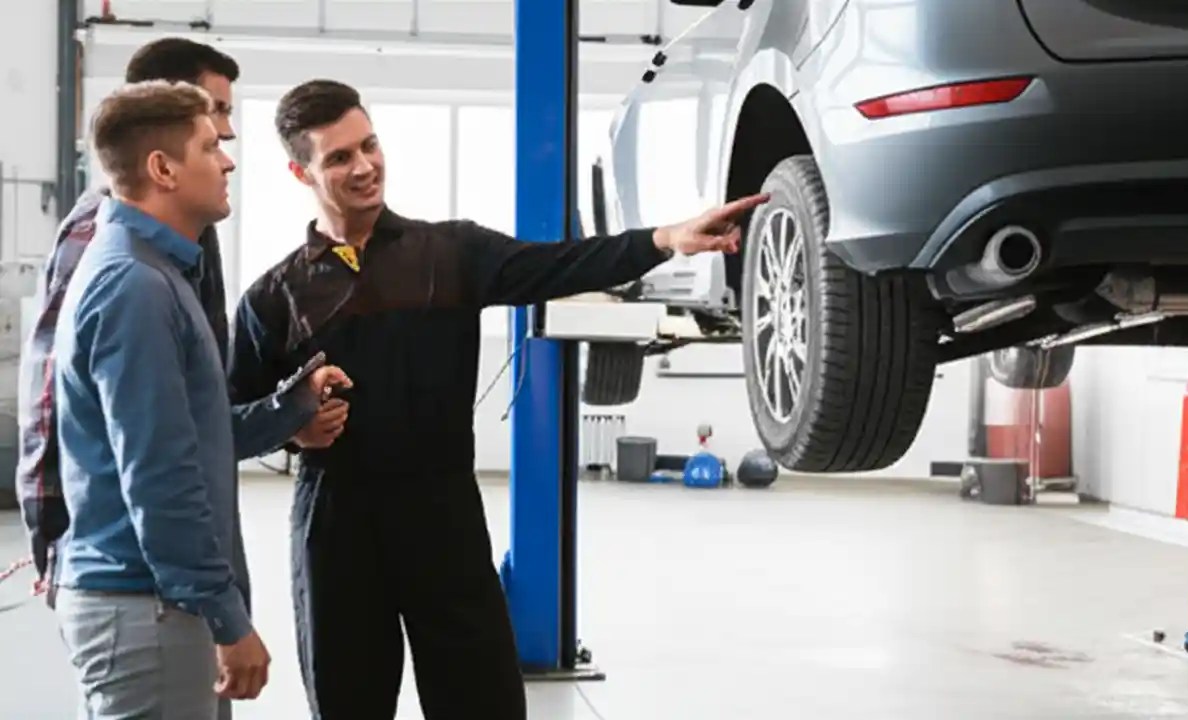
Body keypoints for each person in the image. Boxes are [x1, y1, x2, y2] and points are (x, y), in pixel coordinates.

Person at [226, 78, 768, 719]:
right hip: (336, 521)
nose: (365, 165)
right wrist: (294, 427)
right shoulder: (274, 297)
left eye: (369, 144)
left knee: (480, 700)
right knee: (347, 700)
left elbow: (565, 262)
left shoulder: (450, 252)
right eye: (339, 157)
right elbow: (231, 421)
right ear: (301, 171)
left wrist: (666, 239)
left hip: (442, 515)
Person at [16, 37, 351, 604]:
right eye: (216, 112)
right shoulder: (112, 254)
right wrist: (55, 541)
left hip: (171, 569)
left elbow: (193, 415)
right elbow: (54, 404)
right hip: (132, 578)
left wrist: (285, 412)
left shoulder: (186, 241)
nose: (228, 136)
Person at [53, 80, 350, 718]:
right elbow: (160, 476)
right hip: (146, 606)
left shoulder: (155, 271)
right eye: (209, 145)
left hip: (154, 602)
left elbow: (191, 432)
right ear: (162, 168)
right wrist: (226, 617)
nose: (228, 159)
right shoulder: (135, 286)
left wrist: (289, 409)